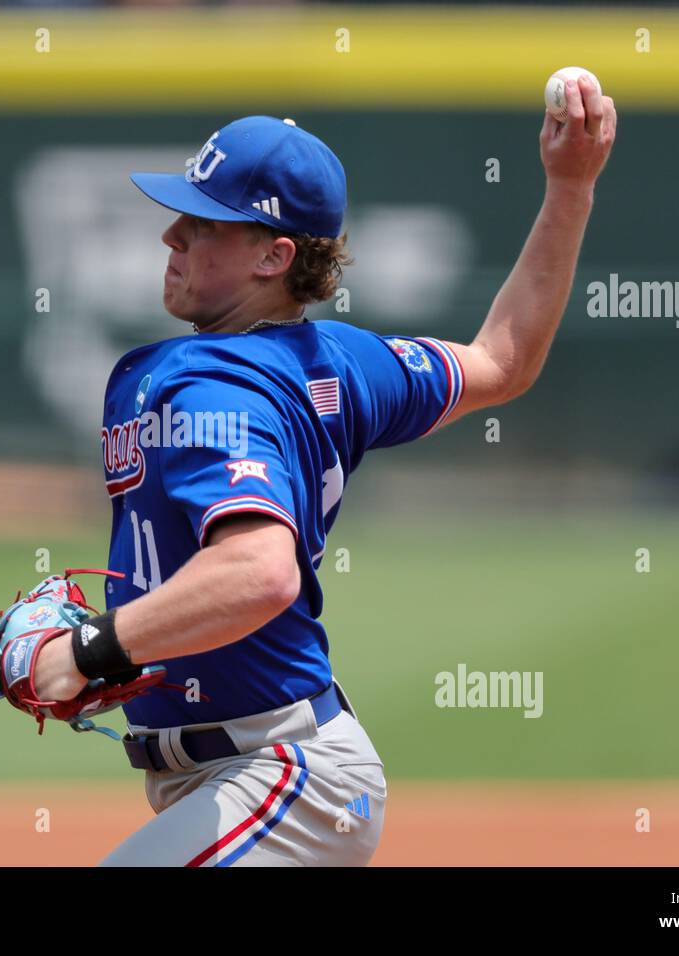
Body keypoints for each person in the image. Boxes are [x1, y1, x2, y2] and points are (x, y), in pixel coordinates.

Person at [31, 79, 616, 866]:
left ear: (276, 256)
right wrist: (570, 188)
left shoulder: (212, 384)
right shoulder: (345, 362)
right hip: (237, 776)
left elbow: (259, 570)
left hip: (279, 780)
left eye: (204, 224)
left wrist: (93, 648)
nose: (171, 235)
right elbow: (500, 361)